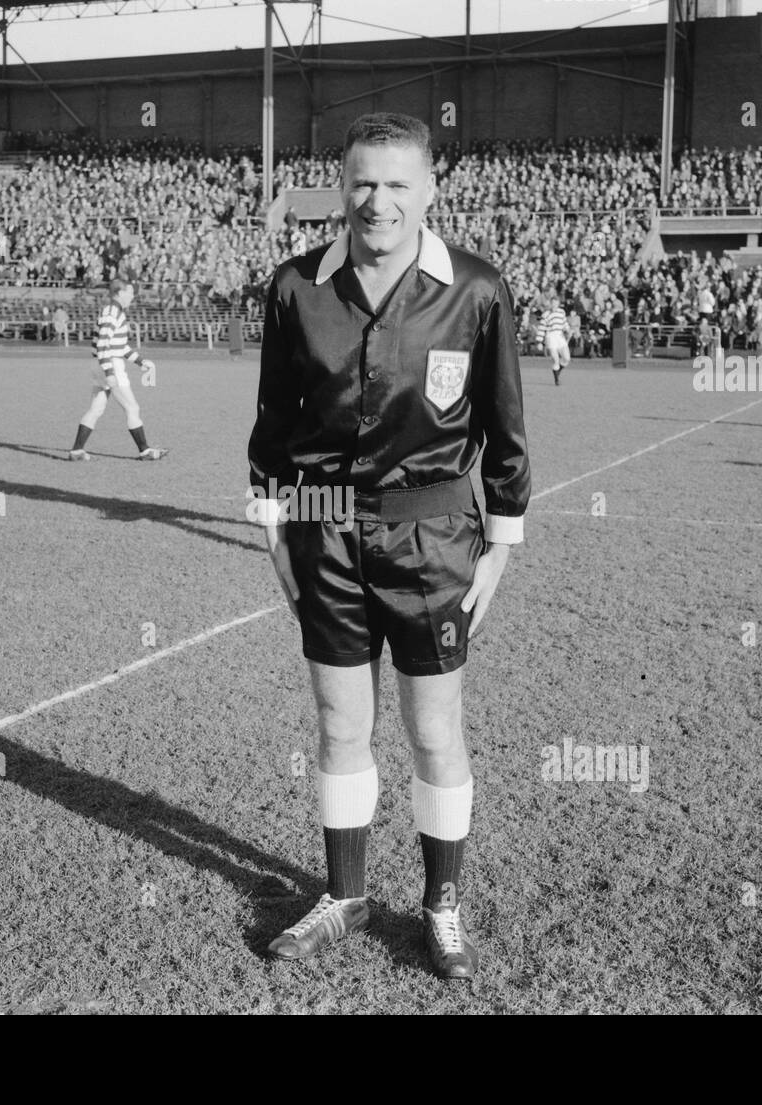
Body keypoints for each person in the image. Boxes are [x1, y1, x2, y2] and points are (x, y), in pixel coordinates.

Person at [247, 112, 530, 981]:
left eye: (398, 183)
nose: (379, 201)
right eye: (363, 182)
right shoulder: (296, 288)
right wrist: (274, 532)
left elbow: (505, 426)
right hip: (324, 528)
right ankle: (345, 894)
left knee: (434, 728)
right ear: (341, 187)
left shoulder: (476, 290)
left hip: (434, 535)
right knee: (340, 721)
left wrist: (501, 540)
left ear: (430, 190)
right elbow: (272, 427)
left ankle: (441, 904)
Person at [68, 278, 168, 461]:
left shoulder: (114, 312)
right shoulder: (112, 312)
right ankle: (145, 450)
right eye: (130, 292)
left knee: (96, 408)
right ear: (120, 293)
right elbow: (104, 345)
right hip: (110, 364)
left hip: (102, 363)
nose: (133, 296)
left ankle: (77, 450)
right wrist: (110, 373)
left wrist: (141, 361)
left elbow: (120, 347)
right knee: (132, 407)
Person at [538, 296, 571, 385]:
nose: (554, 304)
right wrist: (539, 341)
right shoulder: (546, 314)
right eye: (552, 303)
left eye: (556, 303)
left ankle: (557, 371)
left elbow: (564, 323)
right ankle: (556, 380)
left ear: (558, 303)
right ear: (550, 303)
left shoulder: (561, 312)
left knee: (566, 358)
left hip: (560, 336)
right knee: (555, 359)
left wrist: (568, 330)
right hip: (550, 336)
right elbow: (541, 328)